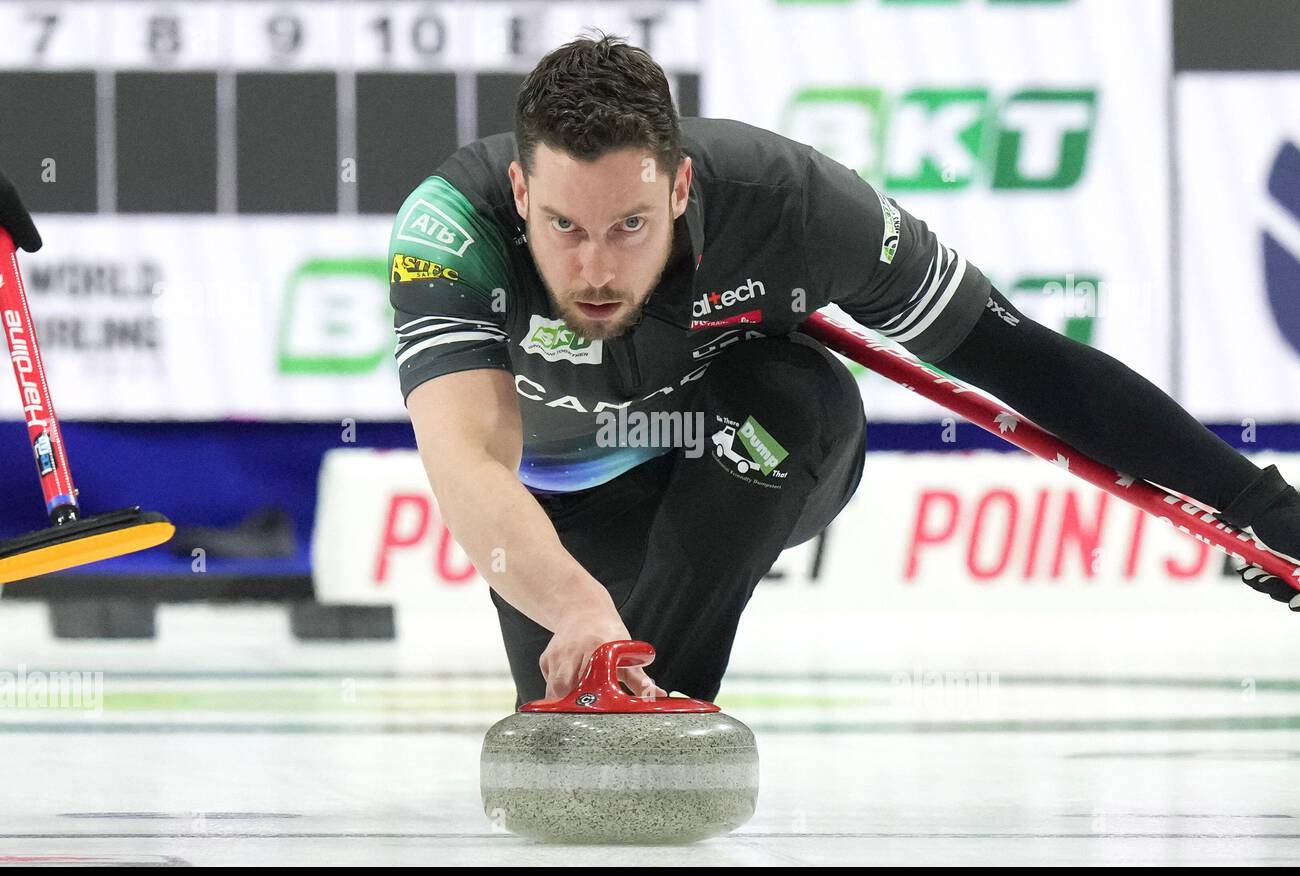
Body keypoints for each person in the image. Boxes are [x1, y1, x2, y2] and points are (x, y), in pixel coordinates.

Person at [386, 35, 1300, 709]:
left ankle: (661, 716)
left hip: (743, 464)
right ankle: (620, 686)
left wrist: (1261, 508)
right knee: (566, 688)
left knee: (793, 396)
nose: (595, 269)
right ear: (520, 197)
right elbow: (467, 463)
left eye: (630, 225)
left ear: (679, 187)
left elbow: (1023, 363)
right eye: (563, 228)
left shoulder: (795, 206)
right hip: (565, 512)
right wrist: (576, 603)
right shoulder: (451, 229)